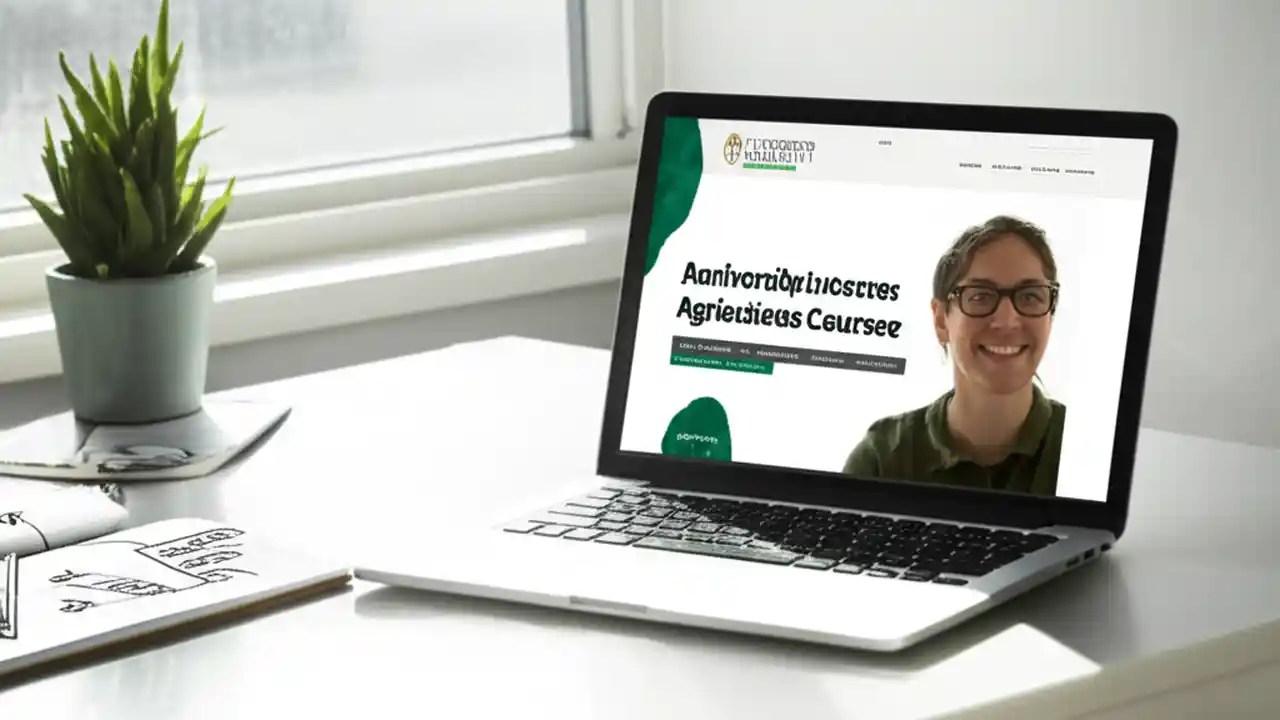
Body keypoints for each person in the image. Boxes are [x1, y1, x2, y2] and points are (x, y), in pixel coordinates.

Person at [843, 215, 1066, 495]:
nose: (1007, 320)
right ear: (940, 321)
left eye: (1030, 296)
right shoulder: (882, 459)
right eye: (980, 296)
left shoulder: (1090, 449)